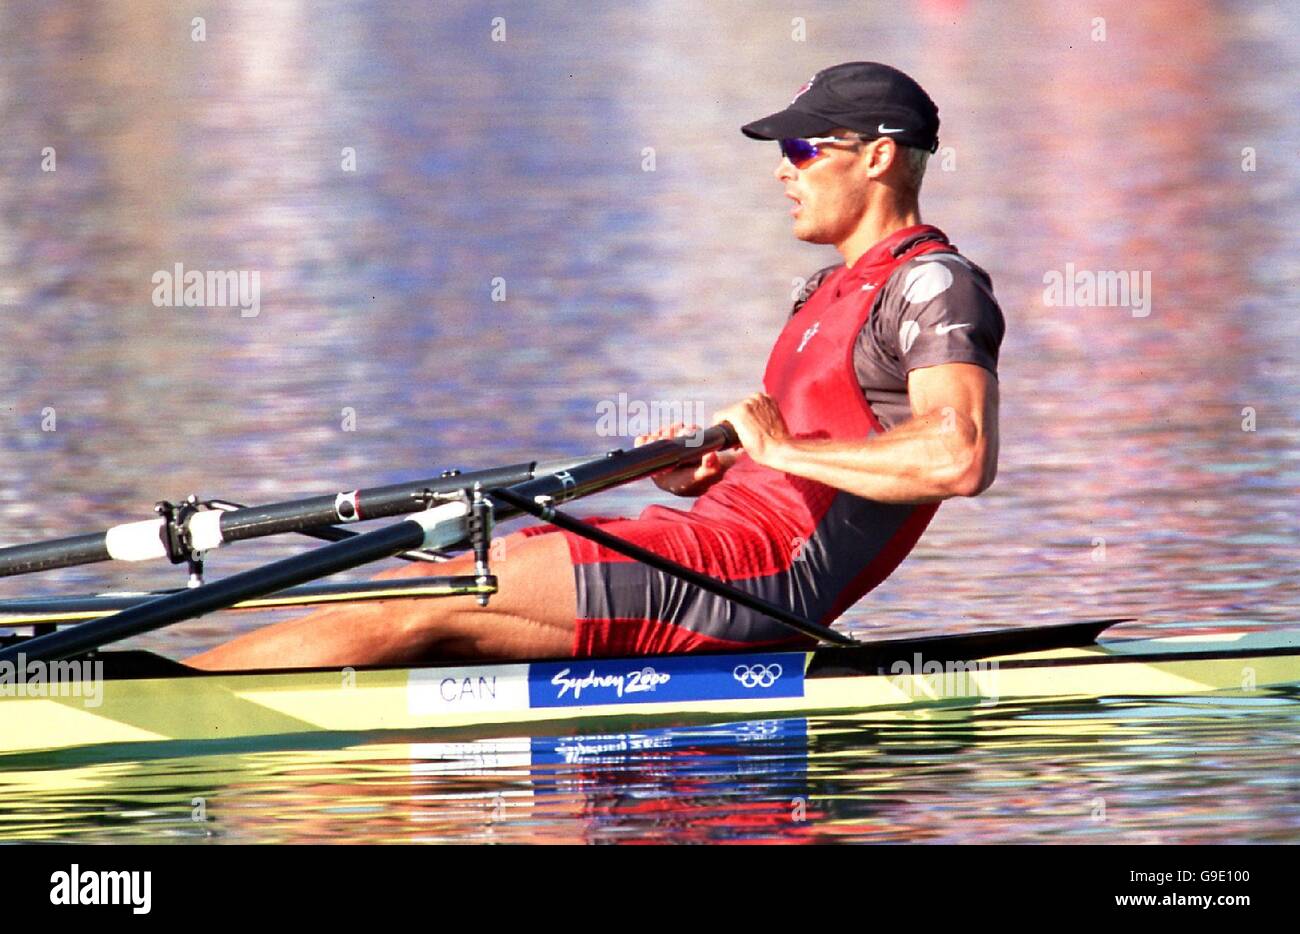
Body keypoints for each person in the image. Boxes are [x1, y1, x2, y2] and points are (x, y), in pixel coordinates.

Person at [187, 61, 1003, 671]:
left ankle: (168, 695)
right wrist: (720, 471)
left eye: (802, 146)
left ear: (879, 158)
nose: (782, 168)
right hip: (705, 542)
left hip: (755, 578)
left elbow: (956, 455)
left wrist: (782, 451)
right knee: (451, 583)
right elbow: (829, 457)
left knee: (429, 599)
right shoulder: (823, 290)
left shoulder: (935, 283)